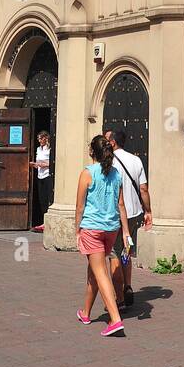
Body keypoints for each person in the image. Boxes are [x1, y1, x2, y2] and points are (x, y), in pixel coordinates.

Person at [74, 134, 130, 336]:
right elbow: (121, 205)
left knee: (100, 272)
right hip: (111, 229)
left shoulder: (87, 173)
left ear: (92, 152)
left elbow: (80, 207)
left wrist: (77, 229)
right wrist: (125, 232)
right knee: (94, 270)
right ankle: (86, 312)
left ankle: (115, 320)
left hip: (92, 228)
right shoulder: (116, 174)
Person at [105, 129, 152, 308]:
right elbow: (144, 189)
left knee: (114, 254)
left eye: (107, 139)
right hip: (134, 215)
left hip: (115, 215)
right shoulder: (136, 160)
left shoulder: (108, 162)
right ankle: (128, 285)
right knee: (127, 251)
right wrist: (148, 211)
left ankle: (119, 298)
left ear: (113, 143)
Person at [29, 131, 52, 231]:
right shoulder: (39, 149)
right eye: (38, 139)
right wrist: (35, 164)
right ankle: (44, 222)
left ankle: (47, 223)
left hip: (47, 175)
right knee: (42, 199)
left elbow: (51, 162)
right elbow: (39, 161)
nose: (39, 141)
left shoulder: (50, 149)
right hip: (40, 175)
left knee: (47, 198)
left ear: (45, 138)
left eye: (40, 138)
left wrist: (44, 164)